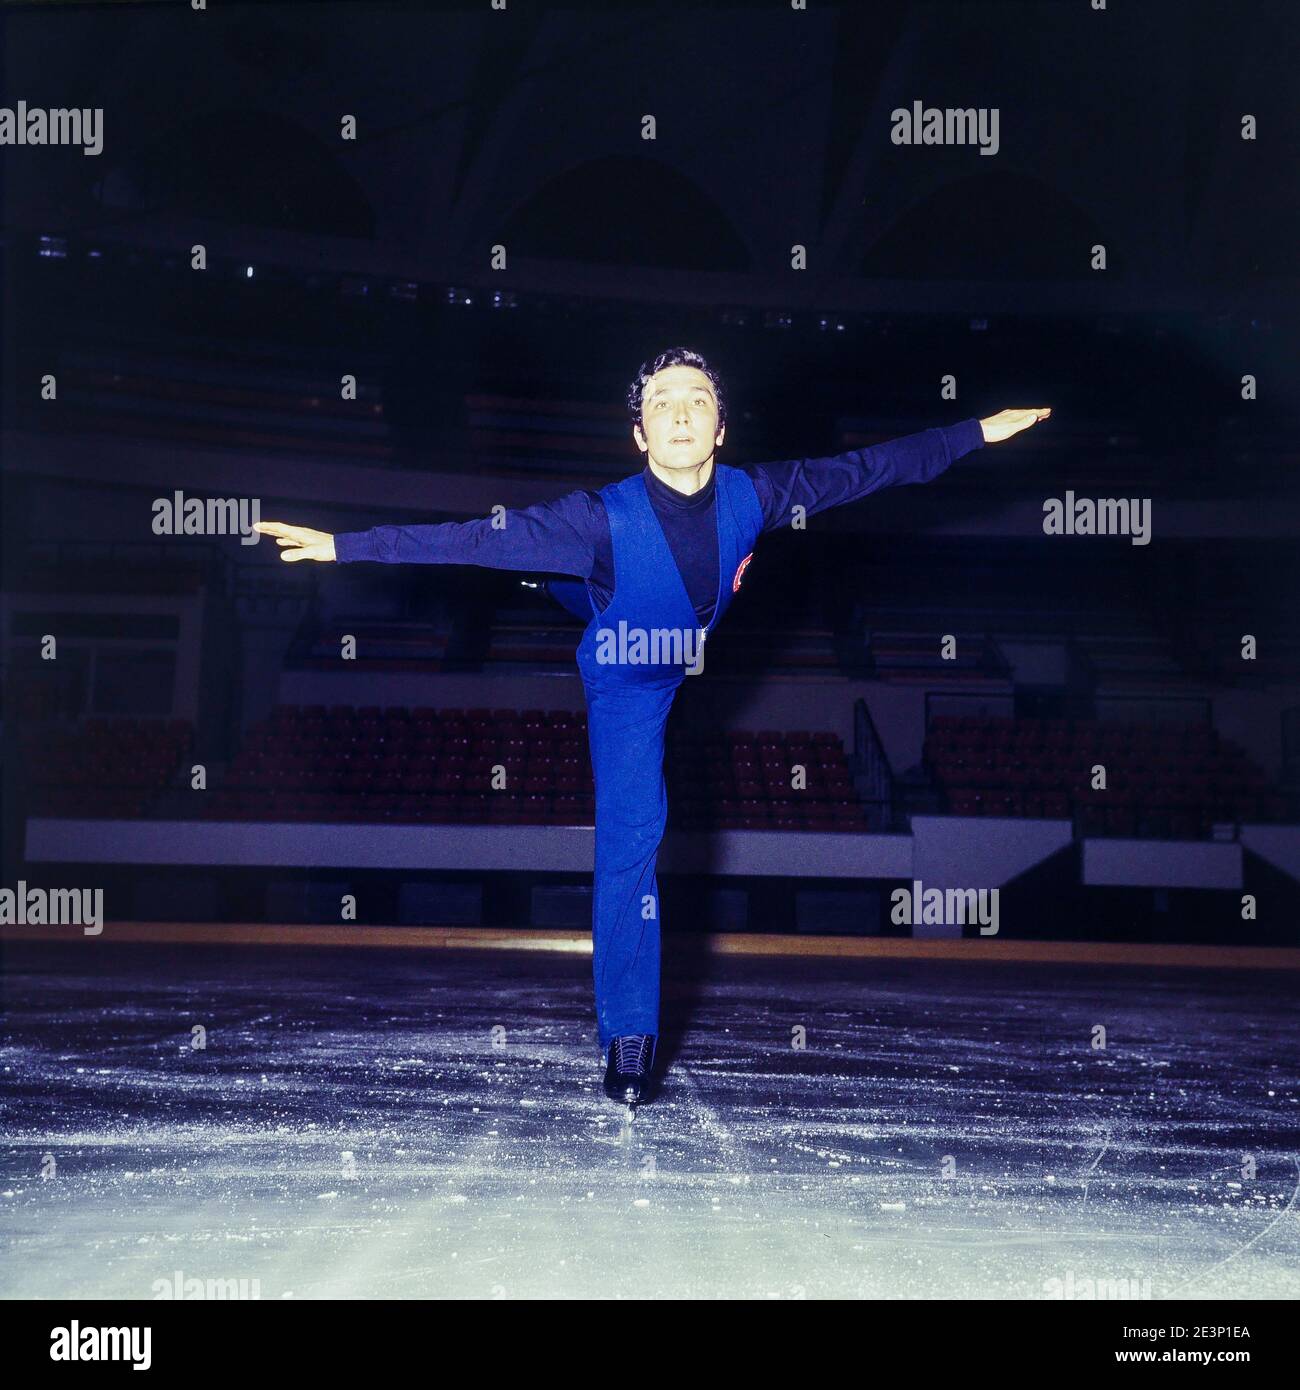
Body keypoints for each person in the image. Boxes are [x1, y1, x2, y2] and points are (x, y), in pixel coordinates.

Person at [254, 346, 1050, 1110]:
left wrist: (973, 431)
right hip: (624, 671)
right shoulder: (595, 519)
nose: (679, 414)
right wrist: (343, 546)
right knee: (632, 838)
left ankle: (557, 581)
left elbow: (863, 471)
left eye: (696, 401)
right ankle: (629, 1035)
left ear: (720, 428)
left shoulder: (758, 494)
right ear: (638, 435)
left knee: (582, 587)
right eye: (660, 404)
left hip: (681, 647)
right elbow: (469, 540)